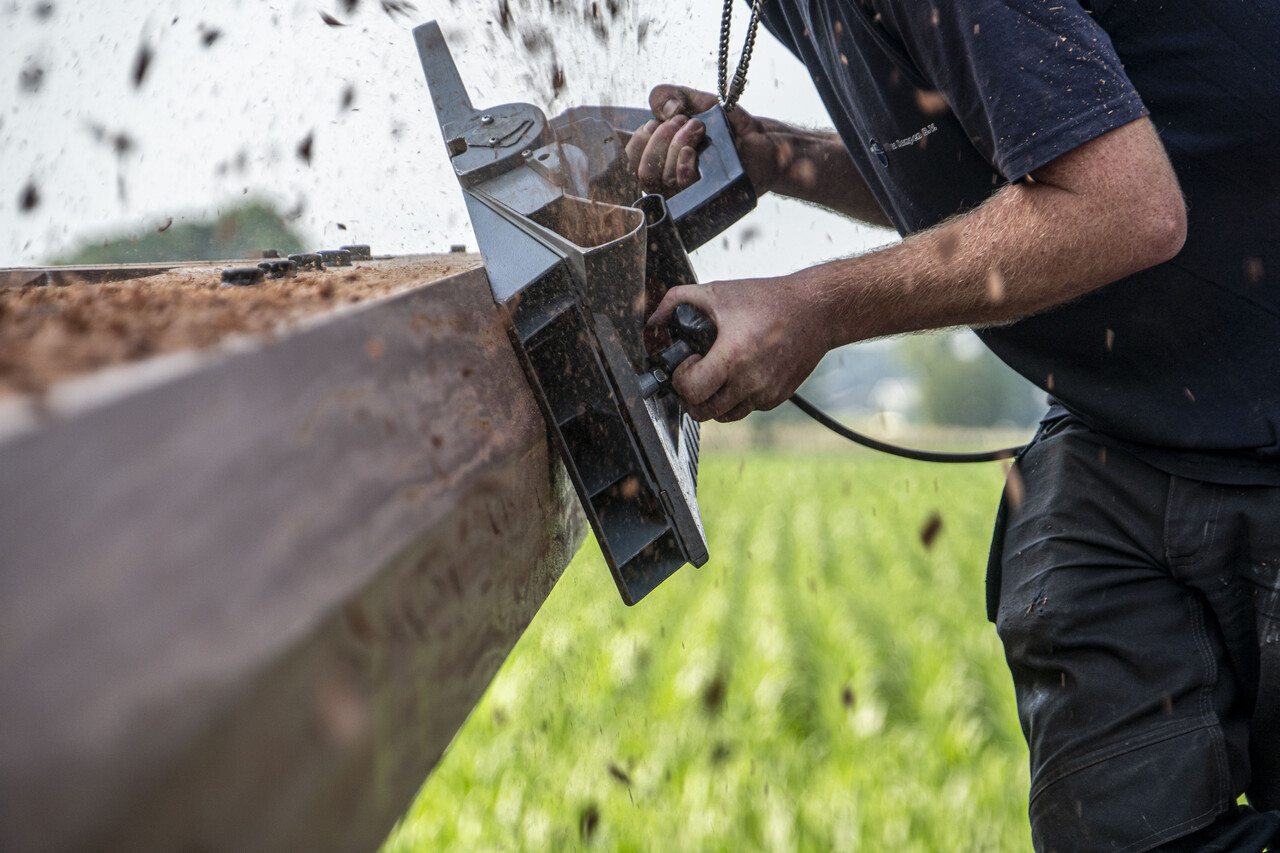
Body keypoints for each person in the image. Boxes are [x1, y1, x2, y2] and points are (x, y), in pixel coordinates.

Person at [626, 1, 1280, 850]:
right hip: (1124, 416)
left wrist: (812, 306)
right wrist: (780, 157)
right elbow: (994, 157)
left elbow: (1127, 206)